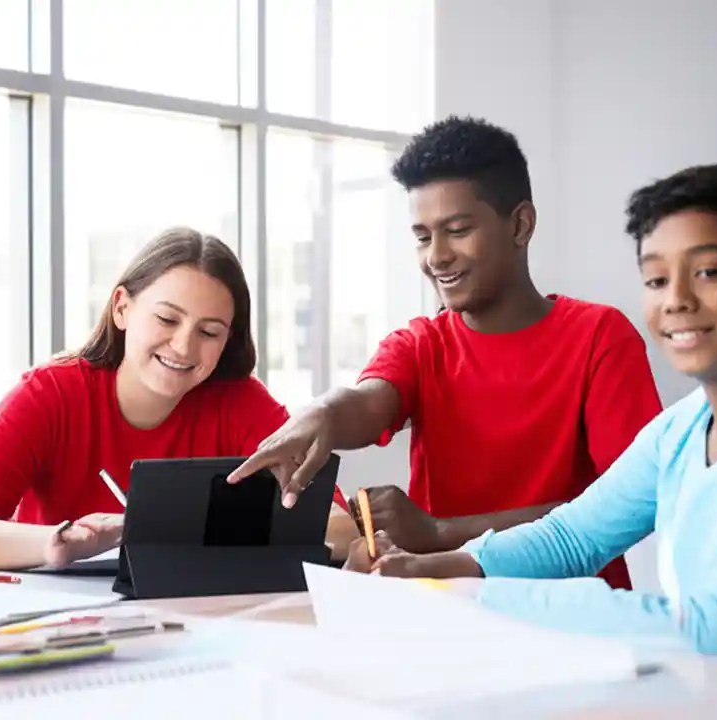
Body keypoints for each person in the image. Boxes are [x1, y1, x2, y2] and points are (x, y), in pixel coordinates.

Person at [350, 162, 717, 677]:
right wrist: (441, 567)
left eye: (709, 272)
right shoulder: (684, 428)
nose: (678, 301)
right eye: (656, 278)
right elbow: (572, 538)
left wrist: (474, 593)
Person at [230, 116, 661, 589]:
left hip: (576, 613)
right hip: (445, 611)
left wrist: (439, 533)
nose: (436, 256)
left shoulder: (599, 337)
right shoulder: (419, 343)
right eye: (422, 236)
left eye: (456, 230)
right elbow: (370, 402)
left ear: (520, 225)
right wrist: (321, 415)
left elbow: (628, 502)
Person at [0, 228, 356, 569]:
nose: (184, 347)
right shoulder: (51, 394)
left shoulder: (240, 402)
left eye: (209, 332)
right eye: (167, 318)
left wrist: (184, 530)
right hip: (60, 621)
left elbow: (339, 530)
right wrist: (57, 543)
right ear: (122, 308)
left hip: (200, 622)